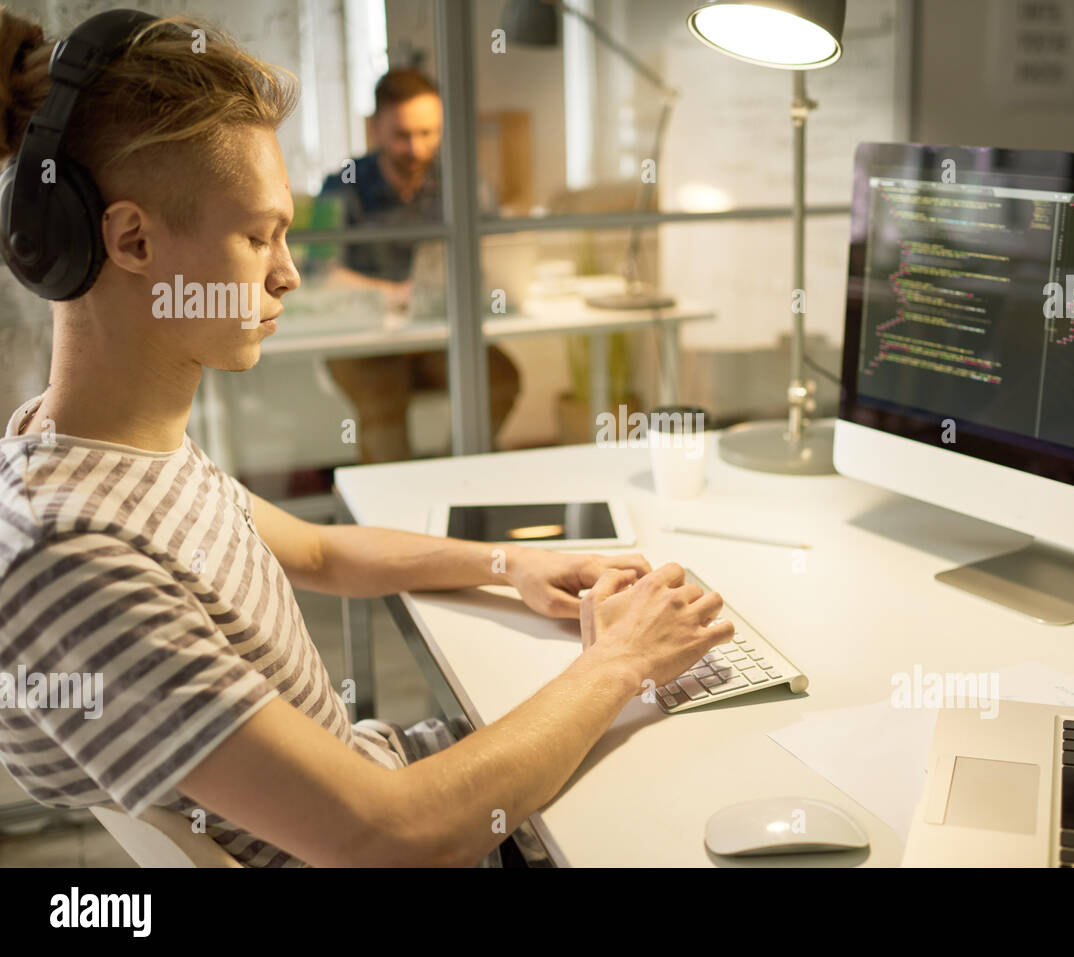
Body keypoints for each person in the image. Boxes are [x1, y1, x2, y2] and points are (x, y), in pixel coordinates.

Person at [0, 9, 732, 868]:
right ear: (131, 240)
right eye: (256, 236)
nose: (287, 270)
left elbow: (314, 551)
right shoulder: (71, 555)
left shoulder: (101, 452)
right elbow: (389, 837)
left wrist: (510, 565)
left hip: (408, 776)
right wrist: (619, 664)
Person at [314, 68, 521, 463]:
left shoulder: (464, 182)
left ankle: (454, 480)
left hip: (439, 331)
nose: (417, 148)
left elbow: (496, 248)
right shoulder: (339, 185)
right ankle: (389, 512)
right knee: (383, 407)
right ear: (376, 128)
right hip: (366, 338)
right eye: (403, 135)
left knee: (499, 381)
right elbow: (315, 270)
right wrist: (392, 293)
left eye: (428, 133)